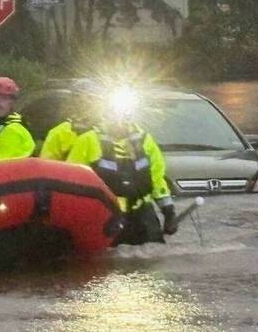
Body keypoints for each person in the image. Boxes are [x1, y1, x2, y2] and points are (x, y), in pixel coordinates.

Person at [65, 89, 177, 245]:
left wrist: (169, 212)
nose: (119, 123)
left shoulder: (145, 141)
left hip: (141, 214)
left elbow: (156, 179)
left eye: (123, 118)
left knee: (154, 255)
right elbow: (71, 183)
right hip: (103, 215)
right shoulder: (88, 141)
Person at [38, 91, 97, 161]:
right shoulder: (61, 131)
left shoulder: (105, 130)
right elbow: (47, 164)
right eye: (79, 98)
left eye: (91, 98)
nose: (86, 101)